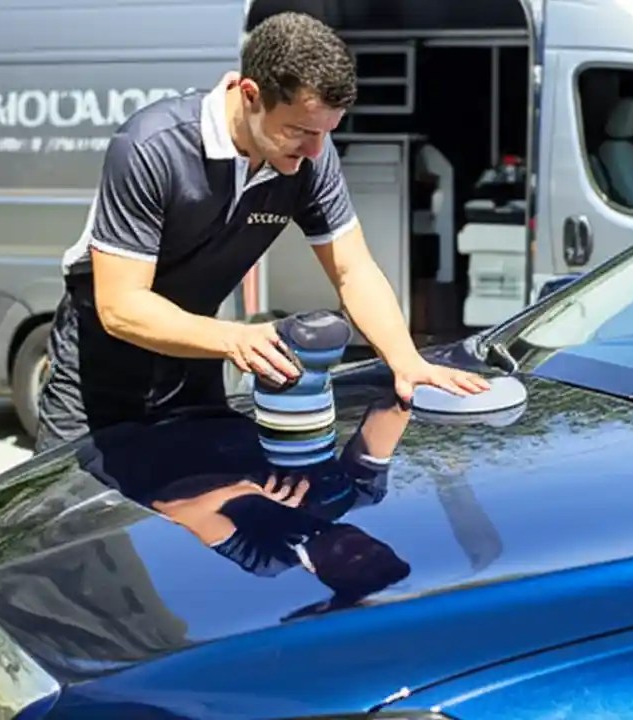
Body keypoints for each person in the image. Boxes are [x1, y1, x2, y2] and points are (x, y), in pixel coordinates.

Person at [33, 11, 489, 454]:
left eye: (327, 132)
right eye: (300, 130)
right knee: (70, 508)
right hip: (96, 379)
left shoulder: (311, 157)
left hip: (195, 366)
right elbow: (120, 307)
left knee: (214, 494)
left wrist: (405, 361)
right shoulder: (152, 147)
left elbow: (353, 269)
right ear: (250, 94)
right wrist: (235, 338)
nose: (316, 151)